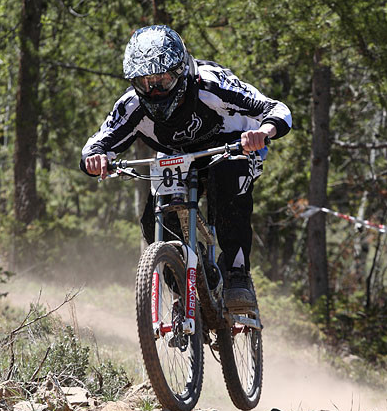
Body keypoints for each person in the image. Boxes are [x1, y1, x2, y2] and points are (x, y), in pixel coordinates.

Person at [80, 25, 292, 312]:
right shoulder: (132, 106)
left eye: (162, 80)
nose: (153, 90)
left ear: (180, 71)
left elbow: (277, 109)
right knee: (153, 219)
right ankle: (185, 289)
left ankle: (236, 275)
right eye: (144, 82)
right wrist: (96, 158)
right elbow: (97, 143)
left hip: (229, 147)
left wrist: (263, 132)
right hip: (177, 157)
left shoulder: (211, 84)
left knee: (229, 183)